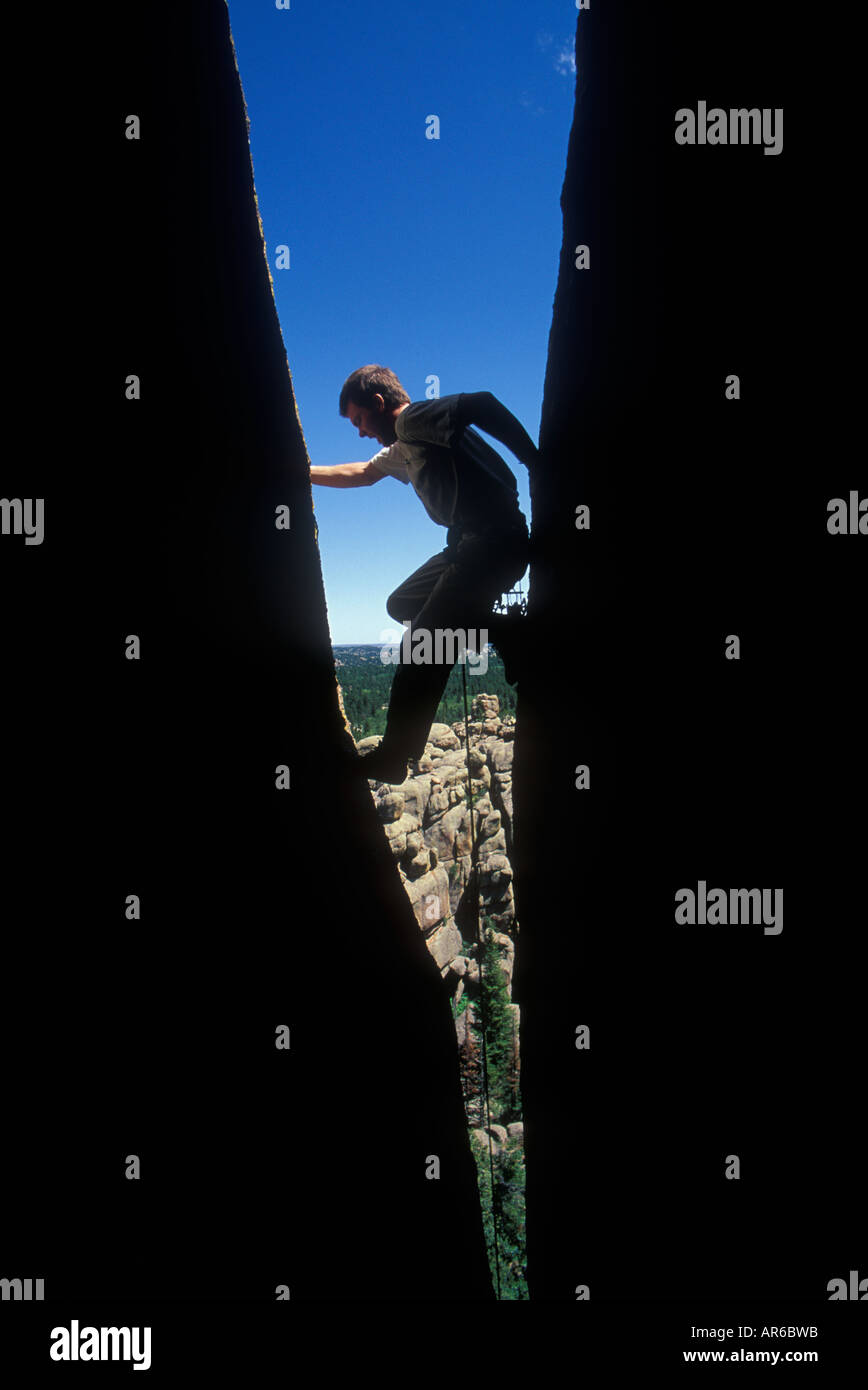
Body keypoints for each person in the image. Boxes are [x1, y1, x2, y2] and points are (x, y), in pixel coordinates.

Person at [310, 364, 537, 784]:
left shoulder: (412, 420)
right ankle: (506, 633)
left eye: (359, 420)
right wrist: (301, 474)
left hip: (491, 543)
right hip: (471, 546)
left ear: (379, 404)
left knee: (422, 646)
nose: (360, 431)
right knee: (402, 603)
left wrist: (534, 461)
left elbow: (481, 403)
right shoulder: (404, 445)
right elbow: (361, 473)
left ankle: (394, 756)